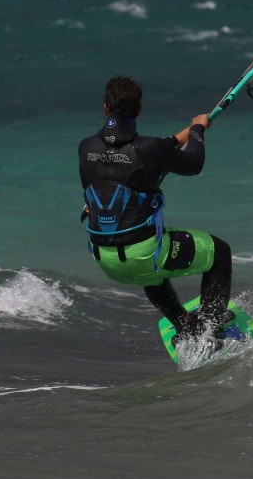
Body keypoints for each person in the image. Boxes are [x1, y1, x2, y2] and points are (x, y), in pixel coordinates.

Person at [78, 76, 233, 347]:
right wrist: (197, 130)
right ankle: (210, 329)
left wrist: (186, 132)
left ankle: (185, 324)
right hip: (144, 254)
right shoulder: (149, 149)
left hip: (104, 258)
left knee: (152, 265)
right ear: (139, 109)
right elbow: (193, 164)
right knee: (219, 253)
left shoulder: (85, 148)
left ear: (105, 108)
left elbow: (140, 154)